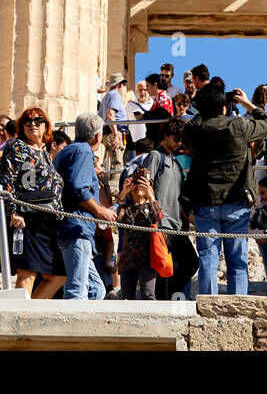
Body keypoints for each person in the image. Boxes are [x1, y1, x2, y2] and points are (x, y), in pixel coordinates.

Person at [181, 85, 267, 295]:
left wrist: (203, 112)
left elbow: (187, 134)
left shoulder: (195, 130)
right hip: (236, 203)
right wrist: (246, 104)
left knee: (208, 260)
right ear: (224, 107)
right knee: (238, 262)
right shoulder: (239, 126)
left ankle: (208, 306)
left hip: (205, 203)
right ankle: (237, 308)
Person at [0, 107, 67, 299]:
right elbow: (7, 181)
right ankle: (19, 318)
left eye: (38, 121)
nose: (32, 125)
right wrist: (13, 212)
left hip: (48, 221)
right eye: (27, 122)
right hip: (27, 218)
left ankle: (30, 311)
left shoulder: (44, 153)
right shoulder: (17, 147)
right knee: (28, 272)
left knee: (58, 275)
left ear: (46, 126)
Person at [54, 113, 118, 300]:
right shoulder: (82, 151)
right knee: (77, 290)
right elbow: (78, 189)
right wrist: (100, 211)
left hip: (75, 228)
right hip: (76, 227)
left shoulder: (68, 151)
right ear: (98, 136)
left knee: (96, 290)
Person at [142, 119, 199, 299]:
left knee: (191, 262)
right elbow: (144, 186)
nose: (179, 143)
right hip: (161, 224)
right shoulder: (155, 156)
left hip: (178, 226)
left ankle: (168, 296)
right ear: (166, 135)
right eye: (176, 138)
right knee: (161, 269)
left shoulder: (176, 163)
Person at [115, 169, 163, 300]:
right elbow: (114, 217)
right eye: (135, 183)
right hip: (127, 260)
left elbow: (159, 216)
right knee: (126, 298)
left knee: (148, 295)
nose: (138, 186)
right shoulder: (126, 210)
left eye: (142, 182)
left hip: (147, 259)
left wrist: (150, 195)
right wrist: (123, 193)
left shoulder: (152, 206)